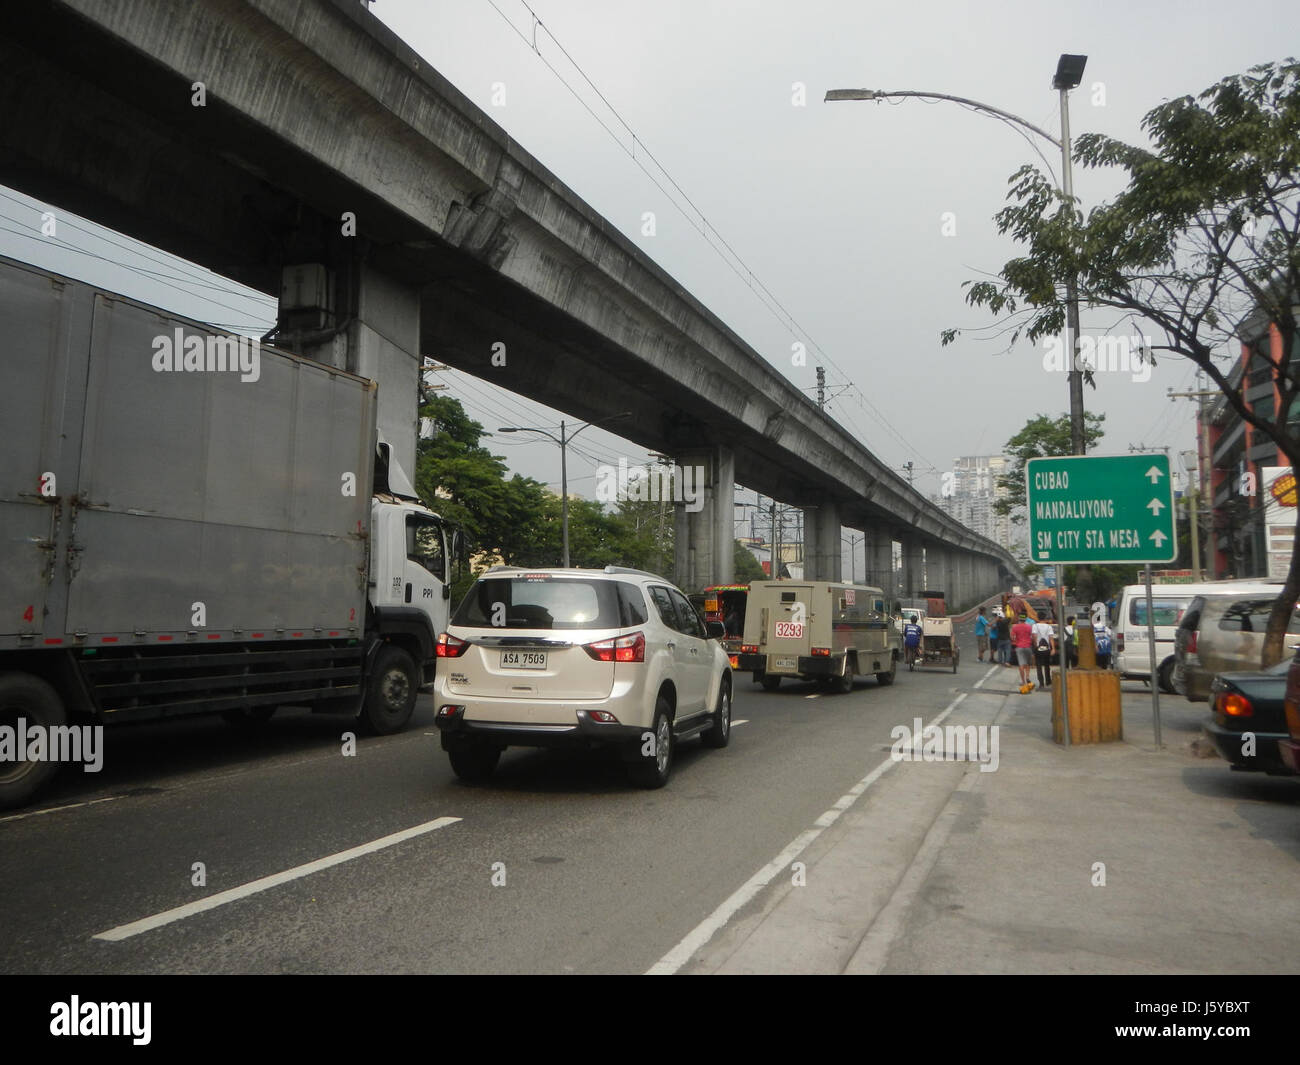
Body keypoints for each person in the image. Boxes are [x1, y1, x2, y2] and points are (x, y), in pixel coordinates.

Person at [1031, 614, 1056, 689]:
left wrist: (1035, 646)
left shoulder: (1035, 626)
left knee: (1038, 666)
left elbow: (1034, 636)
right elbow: (1051, 638)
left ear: (1038, 618)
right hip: (1046, 648)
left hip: (1038, 648)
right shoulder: (1049, 626)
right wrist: (1053, 648)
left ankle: (1041, 683)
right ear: (1045, 618)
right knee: (1047, 665)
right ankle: (1048, 681)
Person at [1011, 612, 1034, 686]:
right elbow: (1032, 636)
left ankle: (1023, 681)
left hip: (1019, 647)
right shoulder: (1029, 627)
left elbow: (1012, 637)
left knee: (1021, 664)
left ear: (1019, 618)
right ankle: (1027, 677)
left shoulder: (1015, 627)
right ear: (1025, 619)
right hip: (1028, 646)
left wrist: (1016, 641)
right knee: (1027, 663)